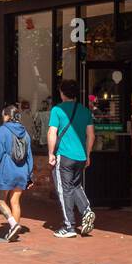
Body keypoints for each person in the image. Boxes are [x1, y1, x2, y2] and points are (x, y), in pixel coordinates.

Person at [48, 79, 95, 238]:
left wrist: (50, 154)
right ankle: (86, 211)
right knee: (75, 185)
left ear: (62, 93)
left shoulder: (57, 110)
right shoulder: (85, 111)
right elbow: (91, 135)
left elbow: (52, 132)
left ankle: (68, 227)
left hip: (65, 156)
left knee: (64, 190)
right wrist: (88, 154)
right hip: (80, 156)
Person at [0, 104, 34, 242]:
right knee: (15, 201)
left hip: (7, 170)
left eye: (3, 115)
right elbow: (29, 155)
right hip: (22, 170)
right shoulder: (25, 133)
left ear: (7, 116)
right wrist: (29, 175)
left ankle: (13, 225)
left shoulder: (2, 131)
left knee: (0, 199)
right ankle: (14, 232)